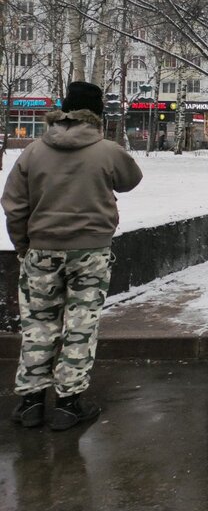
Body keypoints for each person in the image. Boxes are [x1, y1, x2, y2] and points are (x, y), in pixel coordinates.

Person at [3, 81, 143, 430]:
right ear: (96, 114)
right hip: (90, 252)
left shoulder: (33, 151)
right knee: (81, 327)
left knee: (38, 326)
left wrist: (24, 245)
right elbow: (131, 179)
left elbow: (14, 206)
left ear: (63, 109)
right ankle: (68, 404)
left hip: (41, 250)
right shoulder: (107, 151)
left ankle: (31, 404)